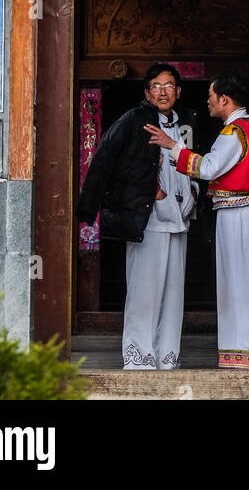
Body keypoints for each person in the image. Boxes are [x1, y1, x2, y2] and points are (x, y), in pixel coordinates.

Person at [146, 73, 249, 370]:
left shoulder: (232, 133)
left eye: (210, 96)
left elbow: (208, 167)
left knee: (236, 283)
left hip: (236, 214)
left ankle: (239, 354)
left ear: (225, 100)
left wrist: (173, 146)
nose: (207, 101)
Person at [77, 62, 198, 372]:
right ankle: (139, 357)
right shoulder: (134, 120)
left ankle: (166, 357)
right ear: (147, 92)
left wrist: (191, 194)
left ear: (178, 91)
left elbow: (190, 165)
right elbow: (104, 158)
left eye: (169, 85)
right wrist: (89, 207)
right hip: (148, 219)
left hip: (178, 217)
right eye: (156, 86)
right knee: (145, 290)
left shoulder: (183, 123)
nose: (163, 91)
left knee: (173, 293)